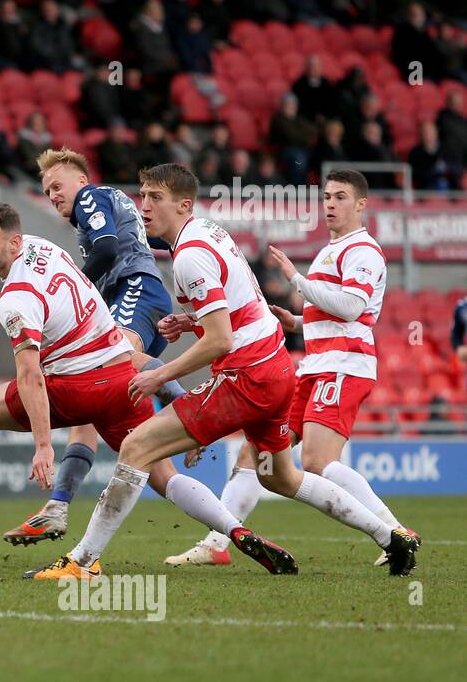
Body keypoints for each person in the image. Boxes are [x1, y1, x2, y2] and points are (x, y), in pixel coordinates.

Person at [27, 163, 421, 580]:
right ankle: (390, 536)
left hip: (246, 377)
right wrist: (189, 321)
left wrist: (161, 375)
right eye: (142, 196)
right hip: (276, 369)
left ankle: (83, 561)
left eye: (155, 198)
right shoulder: (207, 233)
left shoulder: (189, 256)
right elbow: (236, 304)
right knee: (281, 477)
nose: (144, 207)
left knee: (136, 447)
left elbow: (220, 340)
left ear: (184, 205)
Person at [0, 202, 254, 562]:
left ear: (13, 243)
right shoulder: (39, 245)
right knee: (162, 473)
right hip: (122, 379)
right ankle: (232, 531)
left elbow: (31, 377)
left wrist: (43, 447)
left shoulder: (15, 300)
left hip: (79, 388)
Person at [0, 147, 183, 544]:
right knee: (120, 439)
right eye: (46, 190)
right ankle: (226, 531)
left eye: (58, 186)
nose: (53, 195)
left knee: (120, 357)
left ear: (81, 180)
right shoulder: (44, 240)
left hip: (133, 292)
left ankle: (187, 408)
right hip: (138, 295)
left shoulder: (91, 197)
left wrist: (80, 286)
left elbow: (108, 249)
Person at [168, 170, 416, 569]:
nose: (330, 204)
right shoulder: (332, 249)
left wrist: (296, 280)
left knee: (316, 460)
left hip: (344, 364)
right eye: (327, 196)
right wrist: (298, 322)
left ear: (361, 205)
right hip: (315, 364)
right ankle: (216, 544)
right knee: (254, 453)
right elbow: (336, 314)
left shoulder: (363, 250)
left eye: (340, 197)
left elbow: (352, 307)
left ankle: (397, 533)